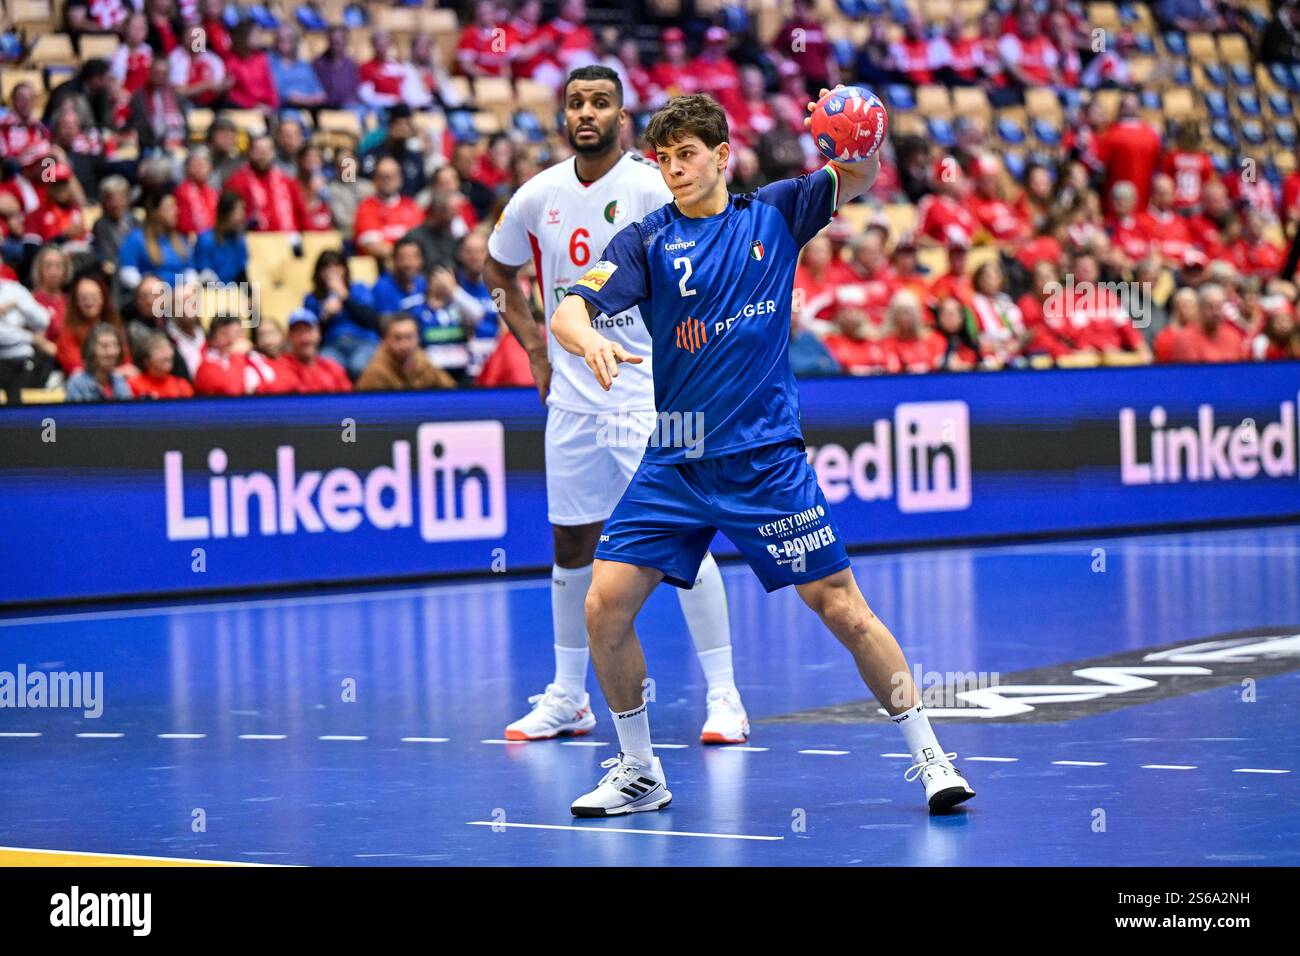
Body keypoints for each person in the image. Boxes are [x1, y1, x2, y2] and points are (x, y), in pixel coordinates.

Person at [551, 92, 975, 816]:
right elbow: (569, 308)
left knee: (842, 609)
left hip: (764, 455)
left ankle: (929, 753)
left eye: (688, 155)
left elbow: (862, 173)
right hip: (678, 453)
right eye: (665, 158)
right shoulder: (647, 240)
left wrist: (858, 126)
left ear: (721, 156)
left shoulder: (776, 210)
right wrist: (587, 337)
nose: (675, 169)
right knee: (603, 606)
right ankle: (640, 769)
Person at [485, 68, 747, 745]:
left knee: (683, 540)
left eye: (600, 102)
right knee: (572, 543)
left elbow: (710, 249)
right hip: (572, 402)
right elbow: (498, 270)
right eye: (575, 103)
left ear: (622, 116)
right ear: (562, 115)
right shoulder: (536, 194)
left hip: (653, 398)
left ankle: (725, 696)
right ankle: (570, 698)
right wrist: (537, 352)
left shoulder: (651, 184)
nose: (586, 112)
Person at [356, 312, 457, 391]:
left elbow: (450, 389)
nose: (404, 344)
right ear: (385, 340)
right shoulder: (376, 372)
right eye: (398, 338)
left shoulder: (423, 361)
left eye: (409, 337)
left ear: (418, 338)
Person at [275, 310, 352, 393]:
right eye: (298, 332)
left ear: (319, 334)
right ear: (289, 337)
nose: (305, 339)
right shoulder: (281, 366)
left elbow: (349, 399)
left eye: (309, 330)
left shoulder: (332, 367)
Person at [65, 323, 133, 401]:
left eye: (115, 345)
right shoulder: (77, 384)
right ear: (91, 351)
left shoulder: (119, 381)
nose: (112, 352)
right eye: (104, 346)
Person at [129, 331, 193, 398]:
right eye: (160, 349)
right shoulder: (133, 385)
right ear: (146, 360)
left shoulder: (182, 386)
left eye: (169, 347)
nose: (168, 353)